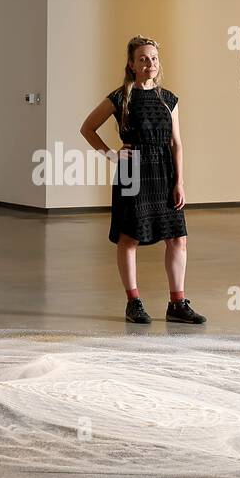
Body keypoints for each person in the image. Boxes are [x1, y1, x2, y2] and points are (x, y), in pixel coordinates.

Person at [80, 36, 206, 326]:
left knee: (178, 238)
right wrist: (112, 155)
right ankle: (133, 302)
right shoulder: (120, 97)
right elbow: (87, 128)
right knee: (129, 237)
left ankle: (177, 303)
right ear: (132, 64)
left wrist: (180, 181)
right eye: (143, 59)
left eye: (154, 58)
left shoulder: (169, 99)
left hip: (164, 173)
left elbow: (176, 143)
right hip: (132, 172)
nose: (150, 63)